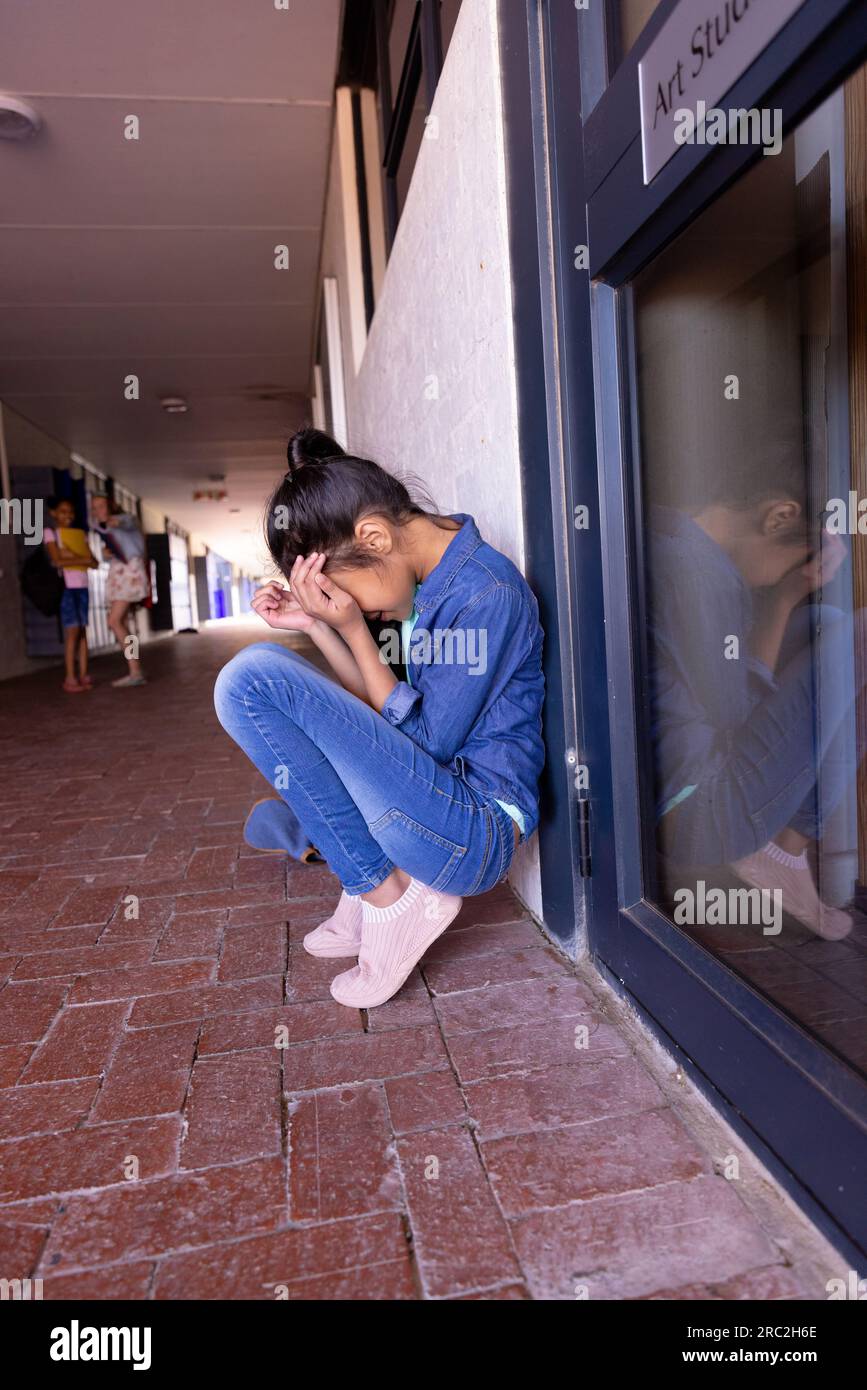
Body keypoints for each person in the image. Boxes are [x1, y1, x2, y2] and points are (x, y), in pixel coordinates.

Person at [214, 427, 545, 1009]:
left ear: (371, 535)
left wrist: (349, 631)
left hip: (473, 833)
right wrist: (319, 625)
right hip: (429, 815)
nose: (359, 610)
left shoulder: (483, 595)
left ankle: (391, 897)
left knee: (254, 676)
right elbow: (379, 723)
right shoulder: (420, 583)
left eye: (346, 596)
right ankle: (371, 886)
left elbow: (425, 747)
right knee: (259, 689)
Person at [647, 452, 866, 941]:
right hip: (701, 816)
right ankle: (777, 853)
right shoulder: (703, 574)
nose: (806, 573)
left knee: (824, 625)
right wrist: (785, 598)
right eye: (806, 557)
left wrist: (791, 598)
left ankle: (783, 856)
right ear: (779, 516)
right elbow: (735, 720)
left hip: (669, 797)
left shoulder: (671, 536)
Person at [90, 494, 149, 687]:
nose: (99, 510)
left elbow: (127, 524)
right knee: (122, 622)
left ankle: (135, 670)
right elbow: (116, 550)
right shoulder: (103, 528)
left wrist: (113, 523)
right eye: (95, 507)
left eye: (102, 505)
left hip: (129, 572)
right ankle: (135, 669)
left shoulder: (125, 520)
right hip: (119, 570)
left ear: (111, 505)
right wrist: (106, 555)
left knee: (114, 621)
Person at [42, 497, 99, 694]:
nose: (68, 515)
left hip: (83, 586)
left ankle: (83, 674)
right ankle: (70, 677)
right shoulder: (50, 533)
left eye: (71, 512)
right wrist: (81, 558)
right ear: (53, 513)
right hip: (67, 587)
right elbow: (57, 561)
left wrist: (72, 556)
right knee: (72, 632)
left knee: (83, 632)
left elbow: (95, 563)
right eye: (63, 511)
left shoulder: (80, 535)